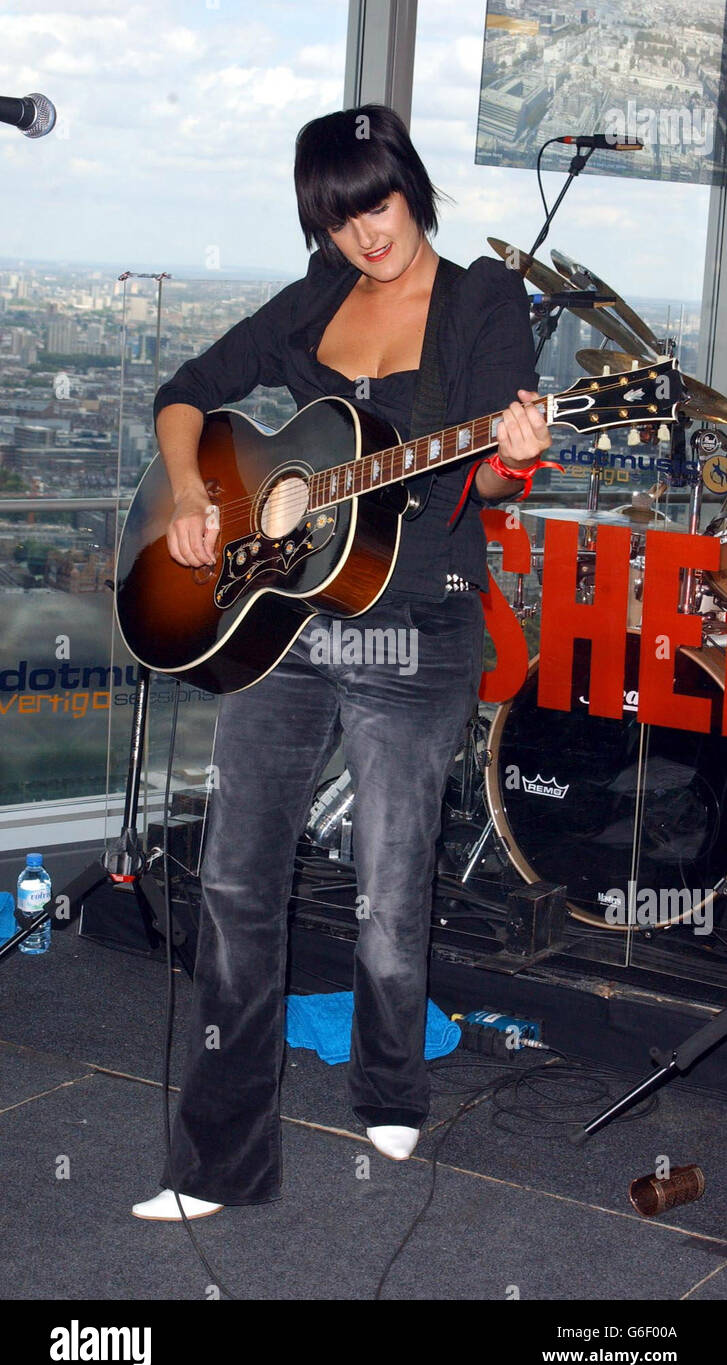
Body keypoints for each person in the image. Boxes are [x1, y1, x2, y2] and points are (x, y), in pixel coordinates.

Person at [132, 103, 551, 1220]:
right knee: (232, 879)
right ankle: (215, 1158)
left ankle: (388, 1083)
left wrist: (512, 460)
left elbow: (496, 484)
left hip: (416, 633)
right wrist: (189, 494)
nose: (365, 231)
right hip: (291, 626)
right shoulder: (318, 295)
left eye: (376, 200)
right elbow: (184, 390)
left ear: (408, 182)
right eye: (337, 215)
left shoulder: (482, 302)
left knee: (387, 885)